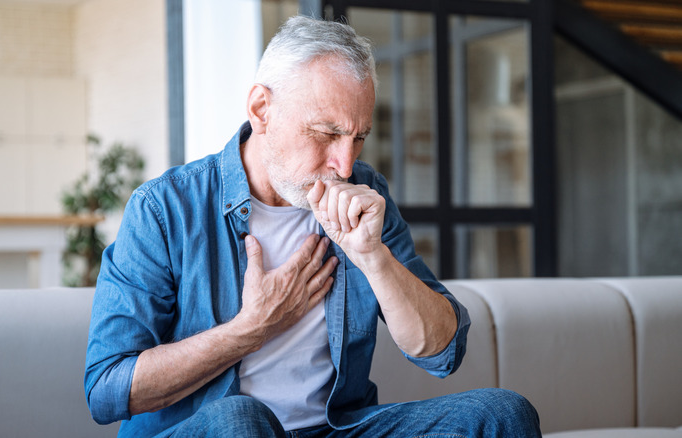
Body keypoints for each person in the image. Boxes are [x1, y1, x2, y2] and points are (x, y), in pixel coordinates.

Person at [84, 15, 541, 438]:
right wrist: (251, 328)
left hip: (333, 429)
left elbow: (443, 352)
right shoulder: (165, 208)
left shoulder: (366, 193)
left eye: (358, 138)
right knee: (241, 420)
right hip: (221, 430)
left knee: (503, 414)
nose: (344, 164)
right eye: (325, 134)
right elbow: (107, 389)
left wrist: (373, 258)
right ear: (261, 109)